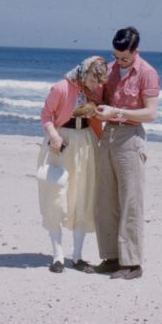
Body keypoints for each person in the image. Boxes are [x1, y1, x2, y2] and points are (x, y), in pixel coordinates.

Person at [87, 26, 160, 280]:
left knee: (130, 201)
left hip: (131, 138)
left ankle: (132, 264)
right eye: (116, 56)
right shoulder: (108, 70)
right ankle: (111, 258)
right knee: (104, 200)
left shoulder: (148, 73)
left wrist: (117, 113)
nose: (119, 62)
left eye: (125, 58)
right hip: (108, 137)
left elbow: (150, 113)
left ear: (135, 51)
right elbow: (99, 101)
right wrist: (94, 107)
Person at [38, 55, 108, 273]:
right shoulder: (61, 88)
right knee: (56, 197)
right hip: (61, 143)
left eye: (100, 82)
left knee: (82, 198)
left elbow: (96, 120)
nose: (97, 86)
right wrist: (53, 136)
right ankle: (57, 256)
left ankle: (77, 256)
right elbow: (46, 115)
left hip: (85, 142)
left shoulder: (92, 91)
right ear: (85, 73)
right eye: (95, 80)